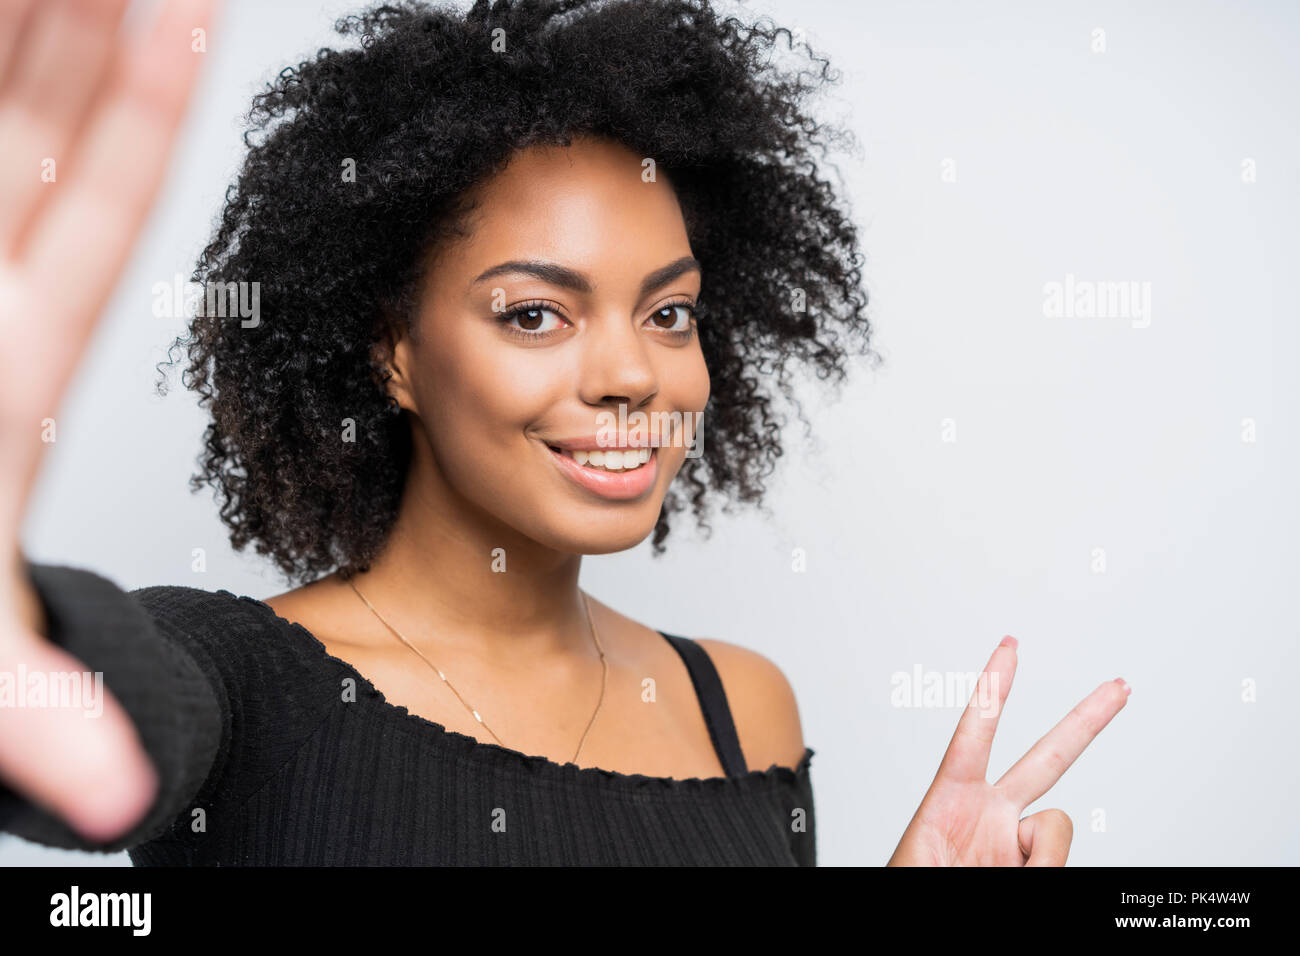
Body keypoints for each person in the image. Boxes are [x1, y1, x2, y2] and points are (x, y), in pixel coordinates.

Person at [0, 0, 1128, 866]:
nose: (633, 371)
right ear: (394, 351)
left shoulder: (741, 713)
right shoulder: (242, 681)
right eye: (534, 312)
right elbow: (71, 698)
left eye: (668, 311)